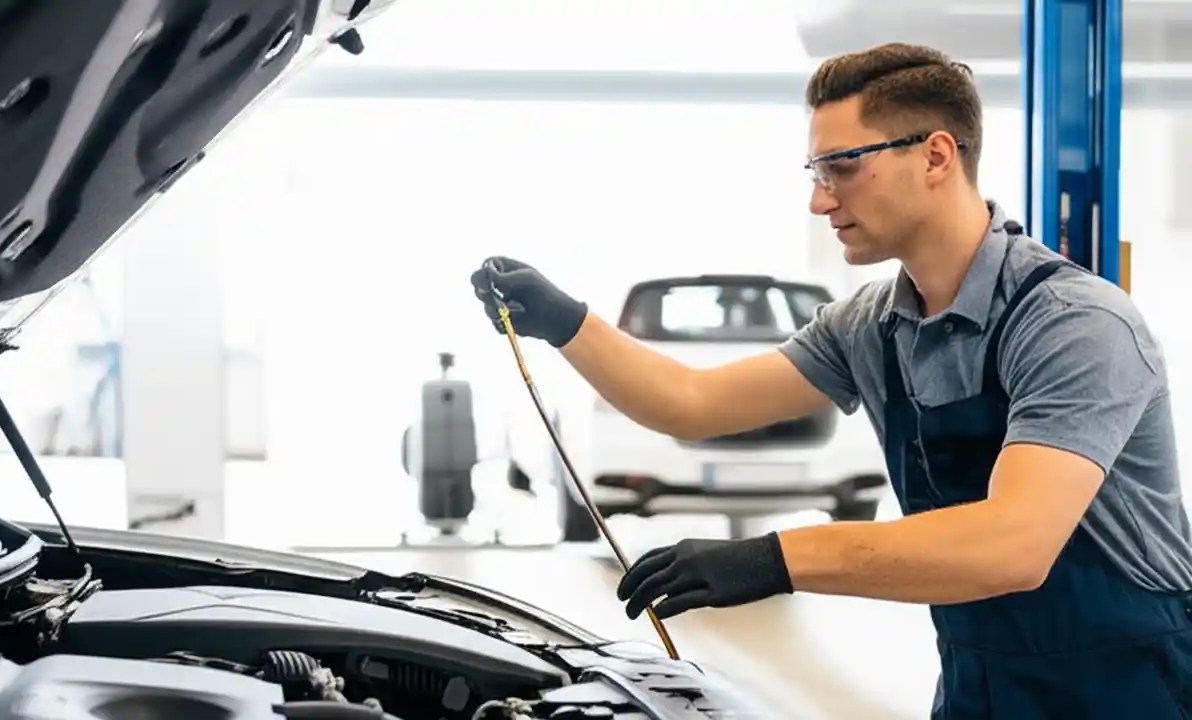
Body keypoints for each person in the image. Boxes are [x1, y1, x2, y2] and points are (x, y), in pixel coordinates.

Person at [469, 42, 1192, 717]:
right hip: (983, 684)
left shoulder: (1073, 323)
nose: (821, 200)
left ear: (937, 155)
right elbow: (691, 403)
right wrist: (565, 321)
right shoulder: (872, 325)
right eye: (816, 173)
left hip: (1132, 688)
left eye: (842, 167)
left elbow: (1014, 544)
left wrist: (777, 558)